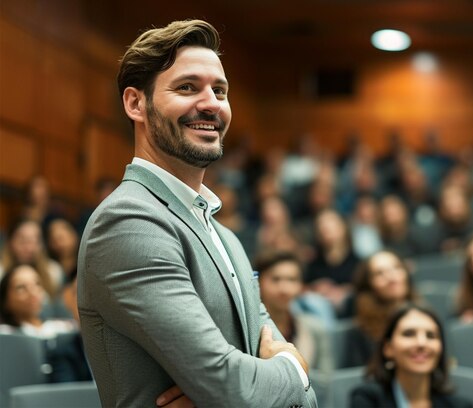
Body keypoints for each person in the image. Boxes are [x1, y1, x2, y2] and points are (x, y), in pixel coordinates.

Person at [77, 19, 316, 408]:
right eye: (187, 87)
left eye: (219, 90)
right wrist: (296, 368)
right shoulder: (127, 222)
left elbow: (282, 397)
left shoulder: (227, 238)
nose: (210, 103)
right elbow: (233, 388)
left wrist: (270, 382)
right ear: (136, 103)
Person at [350, 303, 473, 408]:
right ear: (388, 348)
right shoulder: (367, 400)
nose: (421, 343)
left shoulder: (460, 406)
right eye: (409, 334)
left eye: (431, 336)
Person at [254, 250, 333, 374]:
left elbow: (325, 381)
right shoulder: (249, 330)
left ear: (301, 286)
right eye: (276, 279)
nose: (284, 288)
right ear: (258, 283)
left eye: (292, 280)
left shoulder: (315, 328)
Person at [342, 250, 421, 367]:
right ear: (368, 285)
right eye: (380, 273)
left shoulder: (424, 317)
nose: (392, 277)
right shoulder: (360, 332)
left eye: (396, 268)